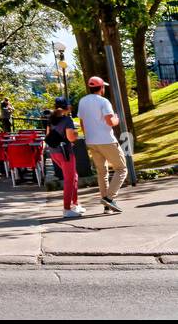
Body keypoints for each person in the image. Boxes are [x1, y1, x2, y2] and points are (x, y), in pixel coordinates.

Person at [77, 76, 127, 213]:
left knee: (102, 172)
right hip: (106, 140)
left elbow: (82, 122)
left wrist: (88, 135)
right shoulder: (104, 101)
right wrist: (116, 119)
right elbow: (110, 121)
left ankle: (107, 207)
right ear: (102, 88)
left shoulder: (82, 101)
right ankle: (109, 199)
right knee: (122, 169)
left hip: (91, 141)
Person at [45, 97, 82, 218]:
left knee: (74, 176)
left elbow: (48, 135)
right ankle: (67, 209)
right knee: (69, 179)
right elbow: (71, 138)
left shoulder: (51, 119)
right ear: (68, 107)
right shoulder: (67, 120)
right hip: (65, 153)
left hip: (53, 152)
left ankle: (75, 204)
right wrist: (76, 133)